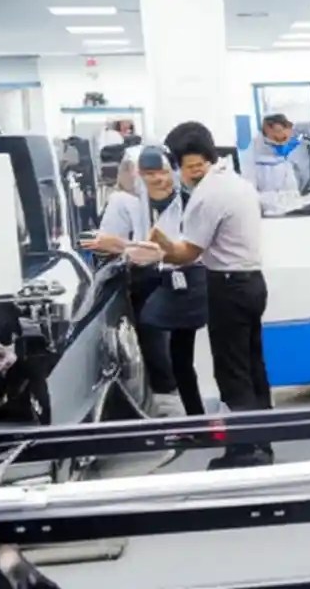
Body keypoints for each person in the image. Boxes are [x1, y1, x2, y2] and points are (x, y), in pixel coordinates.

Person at [147, 121, 272, 470]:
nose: (186, 173)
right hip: (252, 282)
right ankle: (264, 440)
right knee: (252, 366)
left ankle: (245, 451)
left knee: (232, 371)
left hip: (228, 286)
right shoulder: (237, 183)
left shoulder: (207, 195)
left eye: (186, 166)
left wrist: (157, 245)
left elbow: (187, 253)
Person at [84, 147, 206, 418]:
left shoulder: (186, 200)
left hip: (182, 278)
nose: (159, 179)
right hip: (141, 280)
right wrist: (129, 248)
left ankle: (188, 412)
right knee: (153, 340)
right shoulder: (123, 202)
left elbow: (190, 244)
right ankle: (169, 405)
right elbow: (103, 244)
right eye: (150, 174)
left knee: (179, 351)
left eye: (163, 172)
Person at [250, 113, 310, 198]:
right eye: (275, 138)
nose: (280, 143)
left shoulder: (296, 147)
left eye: (284, 138)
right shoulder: (255, 156)